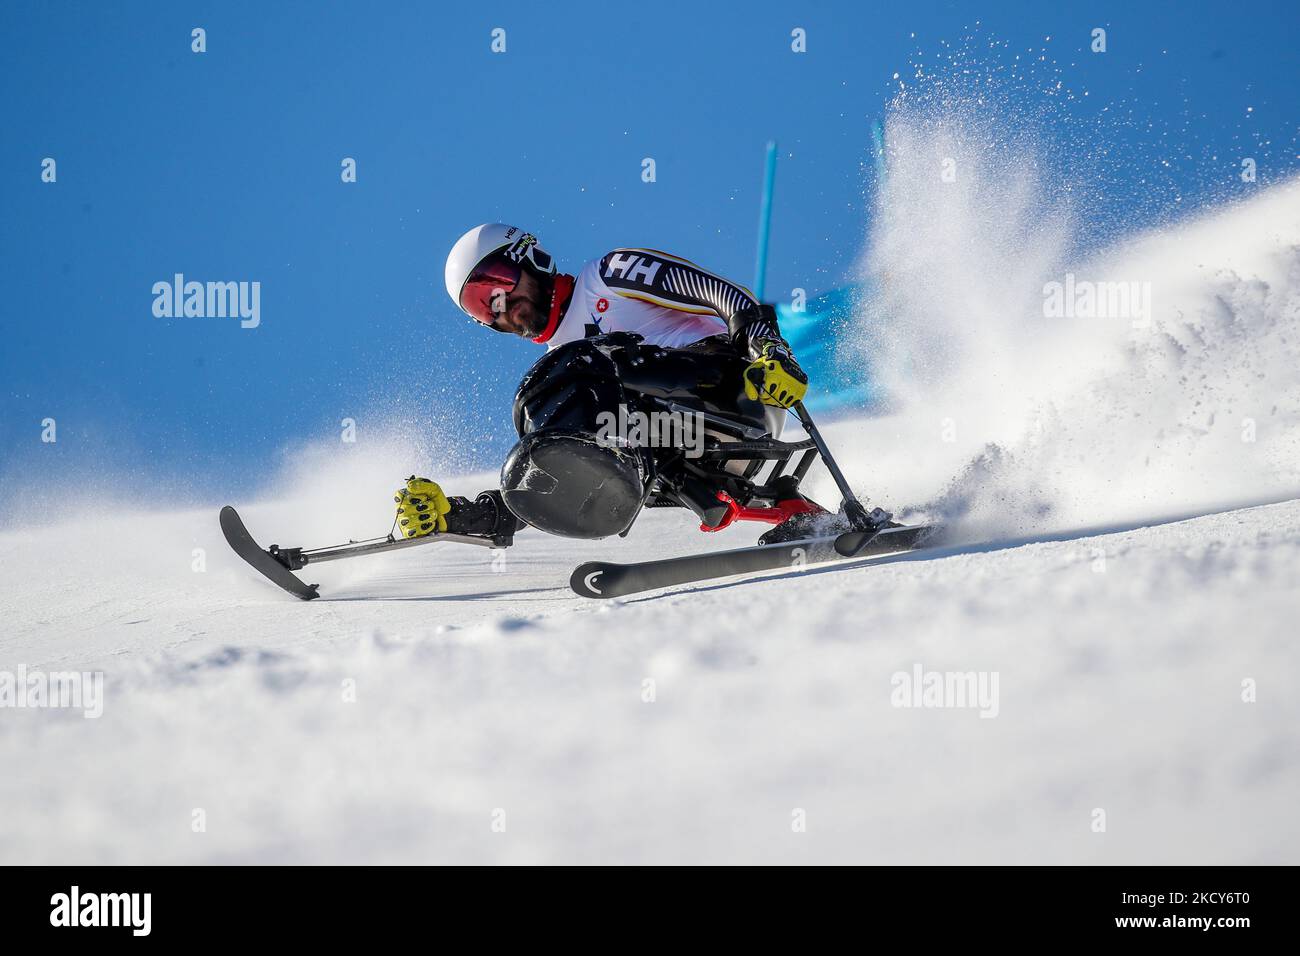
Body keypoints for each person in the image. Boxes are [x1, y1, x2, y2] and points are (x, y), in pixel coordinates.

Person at [393, 223, 816, 542]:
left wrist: (769, 349)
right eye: (481, 307)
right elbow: (552, 482)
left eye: (497, 285)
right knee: (541, 414)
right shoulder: (561, 377)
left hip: (731, 390)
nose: (500, 307)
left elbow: (722, 293)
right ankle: (786, 510)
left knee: (569, 373)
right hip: (678, 445)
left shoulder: (610, 274)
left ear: (529, 258)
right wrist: (455, 516)